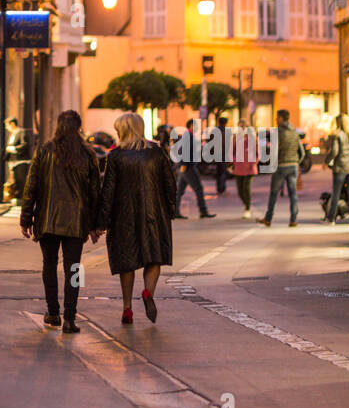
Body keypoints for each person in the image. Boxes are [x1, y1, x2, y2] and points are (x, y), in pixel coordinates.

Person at [19, 110, 101, 334]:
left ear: (58, 127)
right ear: (78, 128)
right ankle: (70, 317)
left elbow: (31, 186)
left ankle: (53, 312)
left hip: (47, 220)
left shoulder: (44, 150)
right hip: (76, 222)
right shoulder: (87, 155)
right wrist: (94, 224)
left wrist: (26, 217)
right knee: (74, 268)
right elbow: (95, 192)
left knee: (49, 266)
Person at [95, 112, 177, 325]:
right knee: (154, 257)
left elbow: (108, 191)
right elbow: (170, 183)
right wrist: (170, 209)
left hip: (124, 217)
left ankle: (127, 308)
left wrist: (101, 223)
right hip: (154, 214)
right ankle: (148, 292)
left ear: (123, 130)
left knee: (127, 262)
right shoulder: (156, 153)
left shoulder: (115, 156)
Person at [258, 108, 304, 227]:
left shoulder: (277, 132)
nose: (275, 120)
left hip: (281, 166)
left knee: (274, 192)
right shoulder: (294, 131)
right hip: (293, 165)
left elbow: (274, 150)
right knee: (293, 193)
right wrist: (296, 162)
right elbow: (302, 153)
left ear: (281, 118)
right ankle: (294, 219)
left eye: (277, 117)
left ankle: (268, 218)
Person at [175, 118, 215, 220]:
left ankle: (175, 211)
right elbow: (183, 150)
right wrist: (184, 164)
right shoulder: (188, 136)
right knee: (198, 189)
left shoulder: (188, 135)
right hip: (188, 166)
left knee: (179, 191)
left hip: (185, 166)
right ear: (191, 126)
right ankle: (203, 211)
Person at [326, 114, 349, 226]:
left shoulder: (338, 135)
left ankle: (332, 218)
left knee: (336, 193)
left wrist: (327, 161)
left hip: (341, 167)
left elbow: (334, 152)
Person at [232, 118, 258, 219]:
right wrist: (233, 161)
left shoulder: (252, 138)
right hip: (238, 168)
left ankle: (247, 209)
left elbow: (258, 153)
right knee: (240, 191)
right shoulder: (235, 138)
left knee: (246, 189)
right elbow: (231, 152)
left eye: (243, 126)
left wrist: (254, 162)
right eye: (239, 127)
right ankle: (247, 205)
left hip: (250, 168)